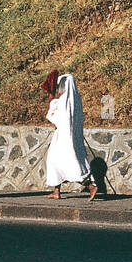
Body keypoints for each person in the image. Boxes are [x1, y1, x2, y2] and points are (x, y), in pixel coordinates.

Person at [43, 72, 97, 200]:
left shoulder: (62, 101)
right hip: (74, 137)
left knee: (68, 162)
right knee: (55, 161)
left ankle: (90, 186)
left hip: (63, 137)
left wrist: (51, 97)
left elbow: (53, 117)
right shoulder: (76, 101)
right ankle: (56, 191)